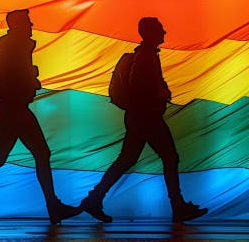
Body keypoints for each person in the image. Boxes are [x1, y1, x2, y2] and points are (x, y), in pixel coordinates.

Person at [79, 17, 207, 223]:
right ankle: (178, 206)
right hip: (146, 117)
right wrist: (158, 93)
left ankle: (94, 199)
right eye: (160, 30)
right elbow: (137, 86)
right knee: (169, 157)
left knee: (128, 159)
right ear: (150, 33)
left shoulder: (147, 55)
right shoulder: (145, 56)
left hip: (141, 117)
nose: (164, 33)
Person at [0, 9, 80, 224]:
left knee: (0, 158)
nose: (31, 25)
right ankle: (53, 206)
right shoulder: (14, 48)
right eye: (27, 21)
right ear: (17, 25)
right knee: (41, 153)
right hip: (14, 109)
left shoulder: (13, 47)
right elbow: (1, 78)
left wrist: (22, 81)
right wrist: (21, 82)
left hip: (10, 108)